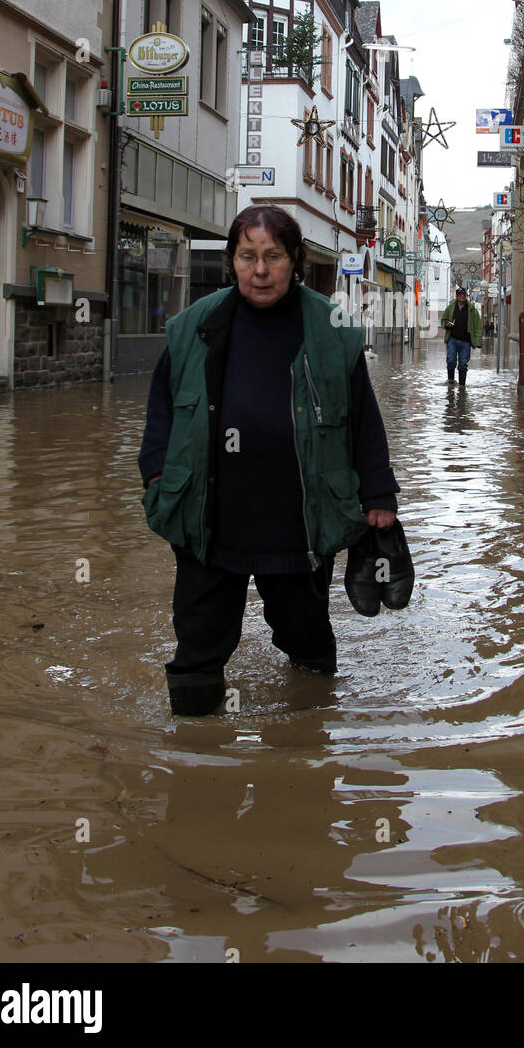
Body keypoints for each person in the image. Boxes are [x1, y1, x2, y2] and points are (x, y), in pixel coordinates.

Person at [138, 204, 399, 716]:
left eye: (273, 256)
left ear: (295, 259)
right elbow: (161, 413)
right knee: (197, 653)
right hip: (209, 522)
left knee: (307, 644)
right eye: (247, 256)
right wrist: (156, 477)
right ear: (232, 260)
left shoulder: (331, 329)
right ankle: (195, 768)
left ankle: (305, 751)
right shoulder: (194, 327)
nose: (260, 270)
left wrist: (379, 495)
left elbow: (363, 420)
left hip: (298, 526)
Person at [441, 285, 482, 385]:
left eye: (463, 294)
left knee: (463, 364)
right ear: (456, 296)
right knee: (450, 361)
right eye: (459, 294)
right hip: (453, 339)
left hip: (466, 341)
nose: (461, 296)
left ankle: (462, 387)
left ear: (466, 296)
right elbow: (443, 320)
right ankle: (451, 382)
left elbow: (478, 326)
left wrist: (478, 342)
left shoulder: (472, 310)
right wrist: (447, 324)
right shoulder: (450, 307)